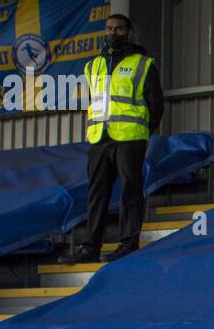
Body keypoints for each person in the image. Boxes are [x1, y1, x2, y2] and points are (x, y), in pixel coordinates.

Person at [57, 14, 164, 264]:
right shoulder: (92, 65)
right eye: (108, 28)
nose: (112, 33)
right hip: (99, 138)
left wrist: (142, 133)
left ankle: (128, 243)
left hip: (129, 139)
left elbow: (156, 105)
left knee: (130, 191)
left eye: (118, 29)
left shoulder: (143, 64)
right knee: (96, 194)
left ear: (129, 32)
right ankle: (90, 248)